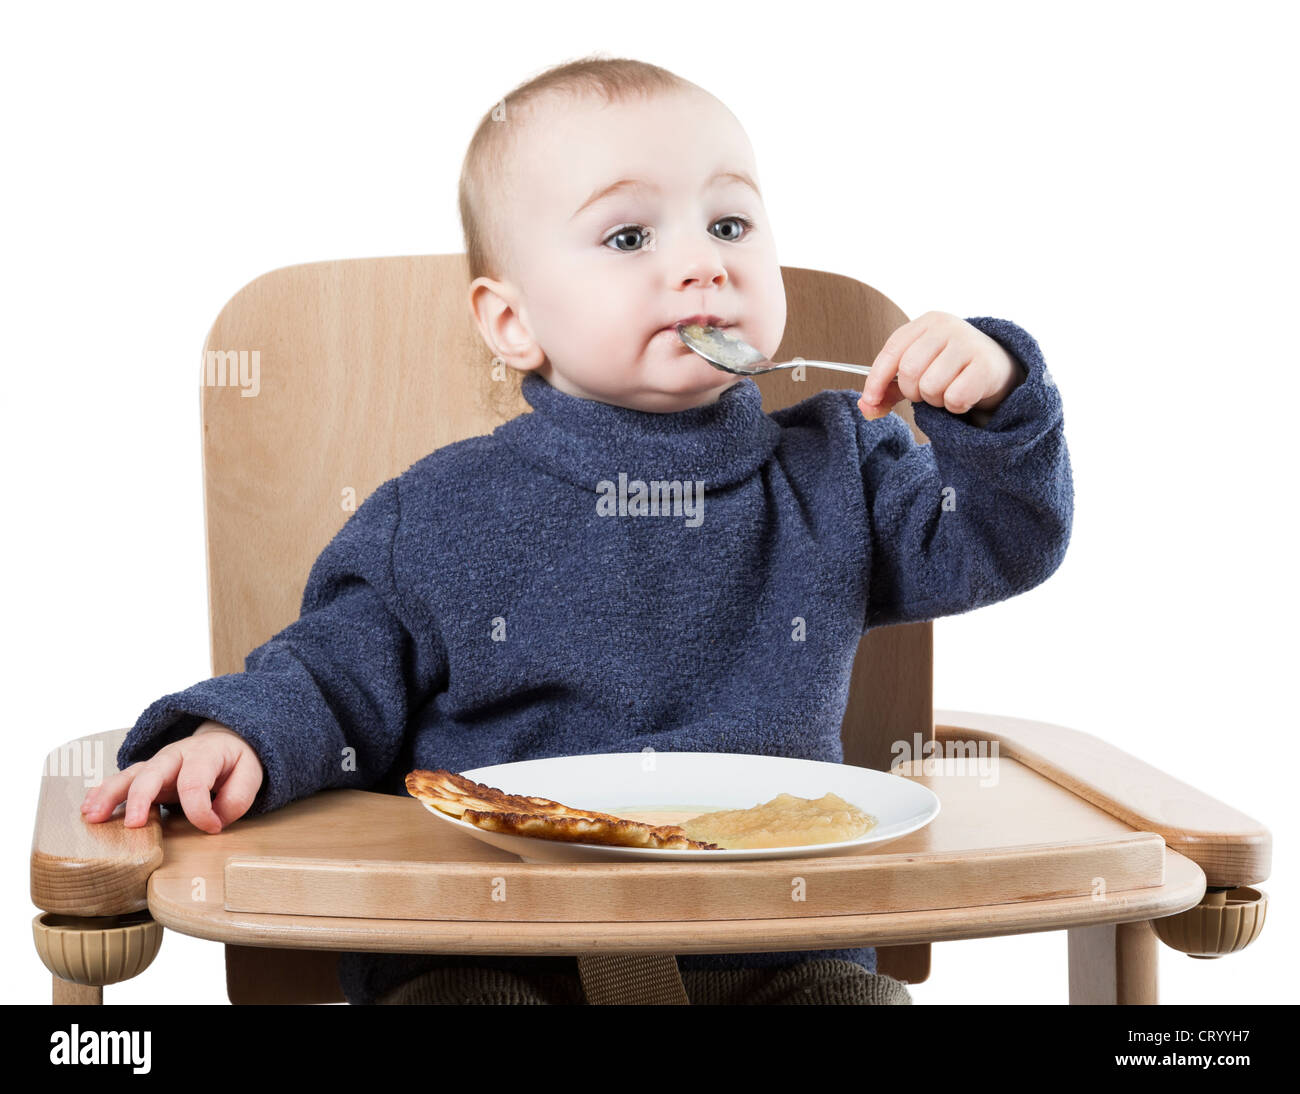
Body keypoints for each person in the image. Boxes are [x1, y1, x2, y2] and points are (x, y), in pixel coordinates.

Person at [83, 55, 1073, 1005]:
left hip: (771, 944)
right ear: (512, 322)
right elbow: (330, 678)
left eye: (730, 222)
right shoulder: (438, 511)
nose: (701, 263)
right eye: (630, 238)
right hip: (492, 940)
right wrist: (235, 731)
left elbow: (1004, 542)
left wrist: (990, 406)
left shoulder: (843, 469)